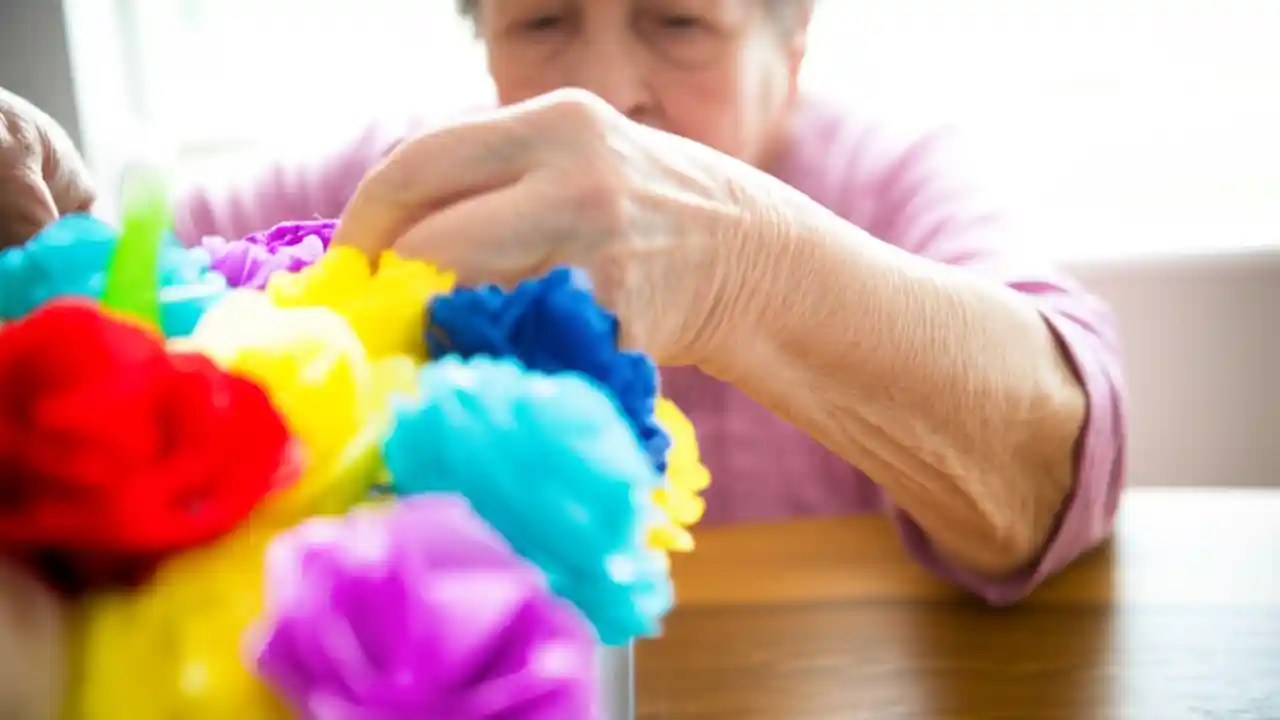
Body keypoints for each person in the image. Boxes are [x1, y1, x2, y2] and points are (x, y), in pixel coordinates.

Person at [0, 0, 1125, 679]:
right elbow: (136, 309)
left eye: (679, 20)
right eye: (540, 18)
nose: (603, 90)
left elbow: (1056, 473)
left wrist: (740, 267)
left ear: (789, 43)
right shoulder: (378, 189)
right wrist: (59, 249)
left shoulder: (892, 179)